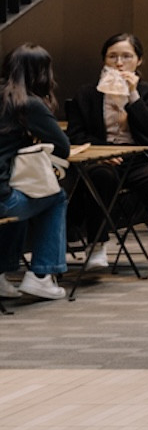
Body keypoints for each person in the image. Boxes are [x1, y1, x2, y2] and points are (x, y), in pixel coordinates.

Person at [67, 32, 148, 282]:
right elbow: (76, 134)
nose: (119, 63)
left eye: (126, 56)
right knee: (99, 178)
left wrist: (133, 96)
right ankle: (97, 245)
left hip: (141, 159)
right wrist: (103, 152)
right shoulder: (87, 94)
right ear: (104, 61)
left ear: (139, 60)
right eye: (112, 57)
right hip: (104, 159)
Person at [0, 45, 69, 302]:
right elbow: (62, 147)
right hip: (2, 200)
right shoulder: (27, 104)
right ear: (42, 74)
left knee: (20, 194)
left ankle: (1, 274)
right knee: (55, 197)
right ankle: (41, 275)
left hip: (5, 194)